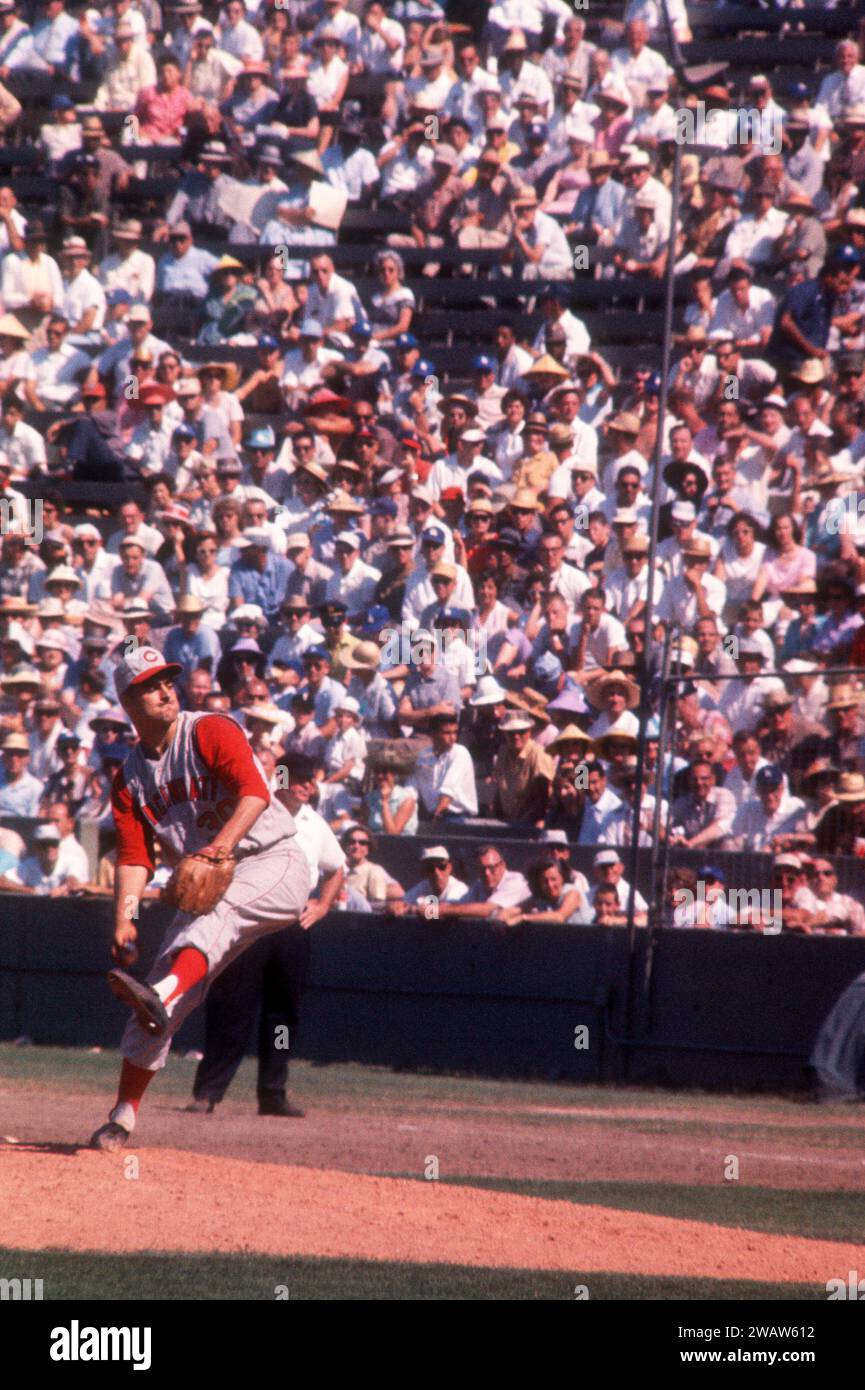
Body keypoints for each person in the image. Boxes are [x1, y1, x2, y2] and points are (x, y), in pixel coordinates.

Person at [88, 645, 311, 1151]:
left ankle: (163, 996)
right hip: (209, 882)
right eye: (149, 685)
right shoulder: (130, 780)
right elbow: (133, 858)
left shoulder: (209, 728)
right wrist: (126, 918)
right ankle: (122, 1116)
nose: (165, 690)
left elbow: (255, 791)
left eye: (167, 680)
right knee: (161, 981)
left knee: (216, 919)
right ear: (126, 699)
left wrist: (218, 849)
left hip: (272, 859)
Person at [186, 753, 345, 1118]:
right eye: (301, 778)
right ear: (283, 778)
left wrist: (321, 906)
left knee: (282, 1014)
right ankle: (208, 1092)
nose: (308, 785)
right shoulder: (254, 812)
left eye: (312, 779)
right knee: (231, 1007)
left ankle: (273, 1093)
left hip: (291, 927)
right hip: (248, 923)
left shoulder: (314, 823)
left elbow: (337, 868)